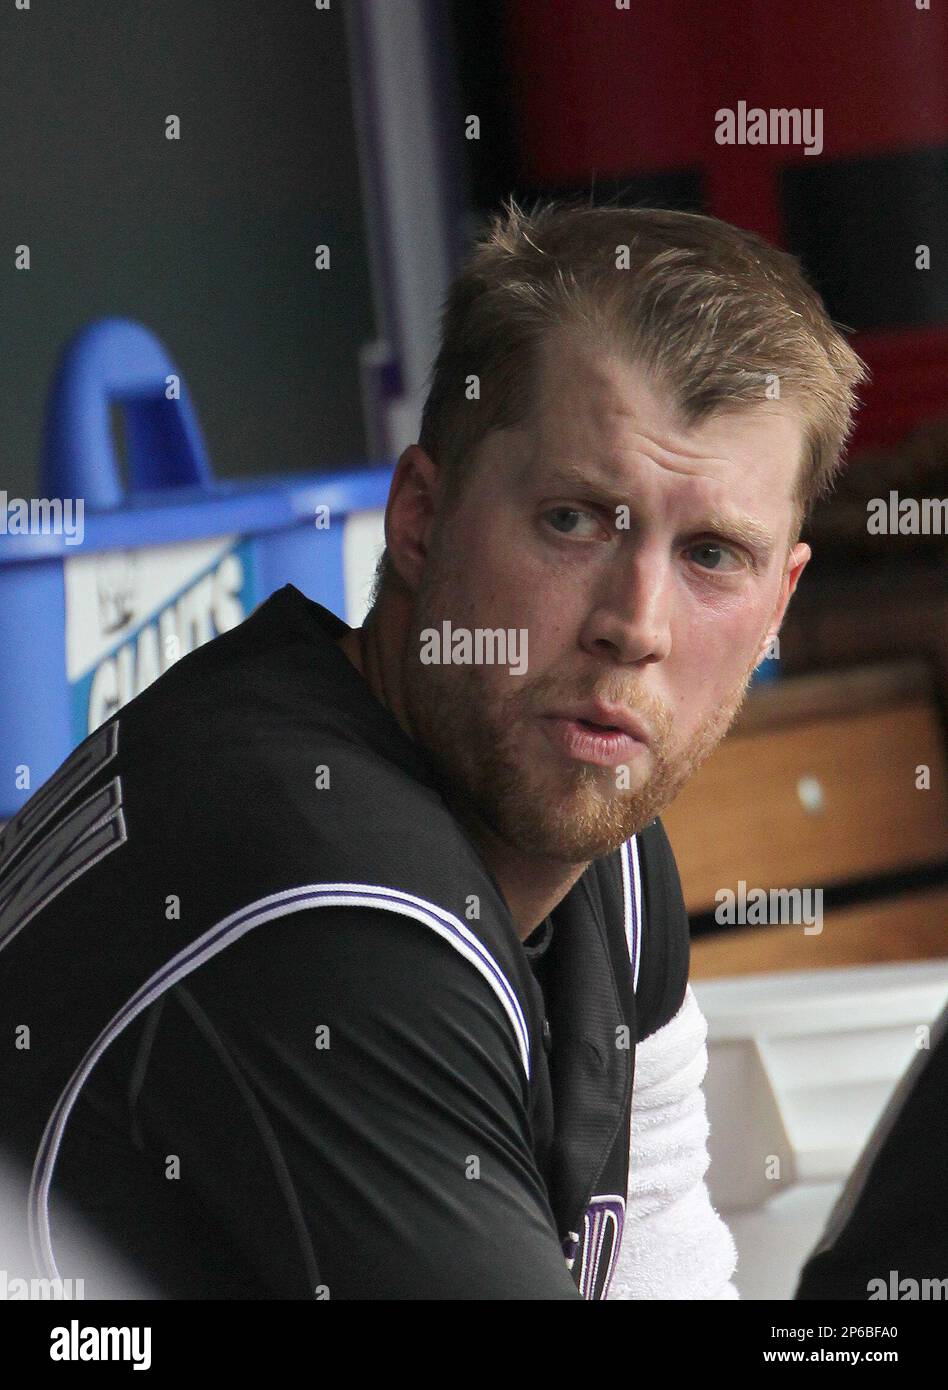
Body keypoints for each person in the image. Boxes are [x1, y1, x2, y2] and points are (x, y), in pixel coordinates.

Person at [0, 197, 866, 1299]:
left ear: (780, 600)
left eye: (711, 554)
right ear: (419, 516)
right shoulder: (322, 891)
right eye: (573, 519)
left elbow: (658, 1255)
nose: (636, 624)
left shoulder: (598, 837)